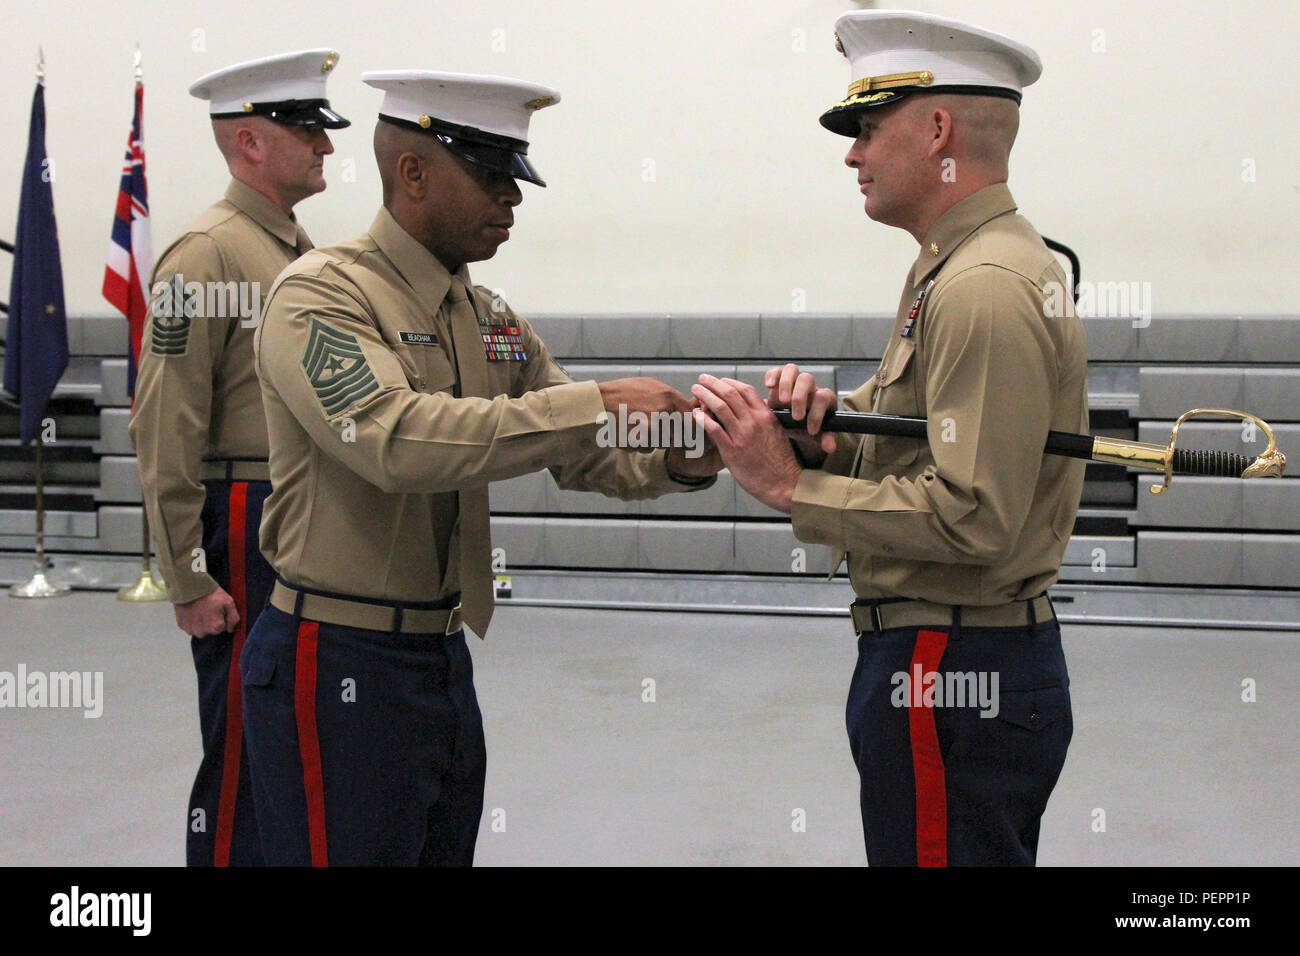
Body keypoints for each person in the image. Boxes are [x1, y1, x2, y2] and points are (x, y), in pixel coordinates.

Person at [243, 69, 721, 866]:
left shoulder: (487, 317)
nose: (514, 199)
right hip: (338, 661)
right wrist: (597, 400)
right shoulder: (319, 298)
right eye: (493, 175)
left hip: (439, 655)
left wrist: (690, 450)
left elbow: (580, 447)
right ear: (414, 172)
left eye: (515, 177)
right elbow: (393, 439)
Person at [692, 10, 1089, 866]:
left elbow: (974, 517)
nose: (852, 153)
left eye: (868, 129)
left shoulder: (981, 285)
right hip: (952, 655)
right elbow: (928, 442)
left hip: (953, 663)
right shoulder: (959, 264)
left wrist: (793, 487)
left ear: (938, 130)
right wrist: (821, 436)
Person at [129, 48, 349, 866]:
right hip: (241, 518)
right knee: (242, 744)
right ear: (250, 143)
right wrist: (187, 575)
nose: (326, 146)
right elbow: (166, 425)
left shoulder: (294, 251)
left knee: (285, 734)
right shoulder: (205, 253)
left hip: (294, 514)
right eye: (307, 130)